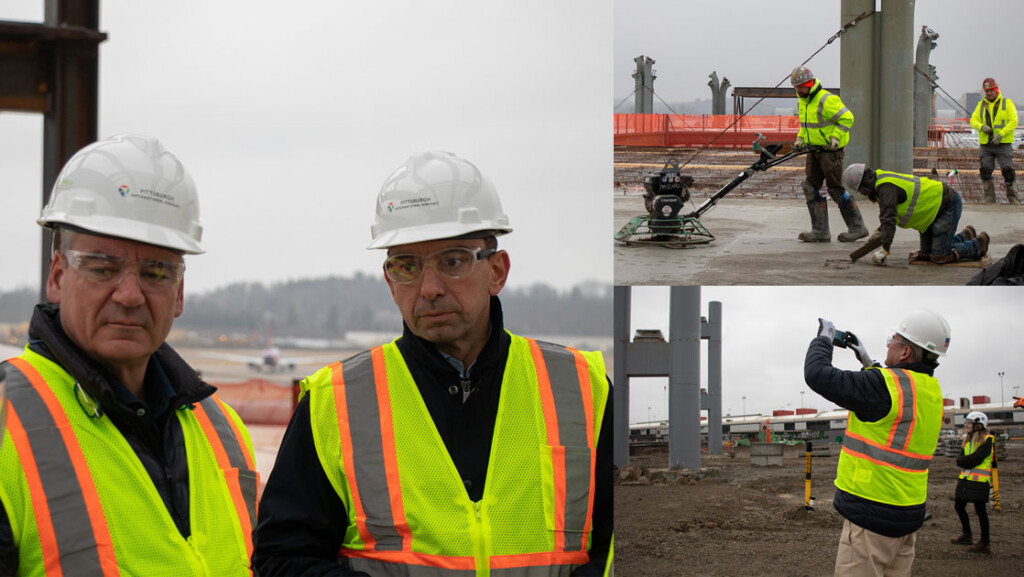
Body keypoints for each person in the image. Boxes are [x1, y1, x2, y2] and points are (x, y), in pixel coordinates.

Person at [254, 151, 613, 576]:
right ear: (389, 281)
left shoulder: (581, 389)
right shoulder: (335, 402)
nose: (428, 288)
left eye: (453, 261)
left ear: (497, 271)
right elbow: (282, 558)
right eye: (406, 266)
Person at [0, 135, 258, 576]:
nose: (130, 294)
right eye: (103, 268)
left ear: (179, 293)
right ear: (58, 277)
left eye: (156, 272)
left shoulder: (224, 433)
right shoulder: (7, 422)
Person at [804, 309, 948, 577]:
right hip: (907, 515)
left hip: (872, 519)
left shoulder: (884, 387)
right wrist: (868, 361)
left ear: (905, 352)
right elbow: (888, 404)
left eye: (893, 340)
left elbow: (817, 374)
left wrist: (823, 340)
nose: (888, 344)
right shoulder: (930, 390)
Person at [843, 163, 991, 265]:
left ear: (864, 184)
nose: (861, 193)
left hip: (946, 205)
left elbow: (888, 219)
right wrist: (879, 233)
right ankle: (965, 236)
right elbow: (888, 219)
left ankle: (978, 244)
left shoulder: (885, 189)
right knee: (926, 254)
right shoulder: (880, 183)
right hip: (930, 215)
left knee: (939, 256)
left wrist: (885, 250)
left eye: (860, 190)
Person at [790, 65, 868, 243]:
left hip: (831, 152)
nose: (798, 90)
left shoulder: (826, 99)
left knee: (835, 190)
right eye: (796, 88)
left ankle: (857, 227)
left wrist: (836, 137)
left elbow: (847, 117)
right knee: (809, 186)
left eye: (801, 87)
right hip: (814, 150)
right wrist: (800, 140)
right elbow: (807, 126)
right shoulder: (803, 101)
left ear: (809, 84)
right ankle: (820, 231)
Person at [950, 411, 995, 554]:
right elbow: (962, 458)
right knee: (959, 506)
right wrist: (962, 461)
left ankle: (985, 542)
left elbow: (976, 458)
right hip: (965, 480)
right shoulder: (968, 440)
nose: (967, 426)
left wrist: (962, 461)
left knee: (980, 511)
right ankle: (967, 535)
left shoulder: (988, 439)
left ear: (978, 425)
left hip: (979, 481)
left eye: (969, 423)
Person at [969, 78, 1019, 204]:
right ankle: (990, 201)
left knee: (1008, 171)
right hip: (986, 145)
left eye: (991, 90)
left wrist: (1001, 134)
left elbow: (1013, 121)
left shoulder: (1007, 103)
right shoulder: (981, 105)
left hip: (1003, 144)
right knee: (985, 171)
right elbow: (973, 121)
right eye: (987, 91)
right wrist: (982, 127)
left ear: (996, 90)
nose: (989, 93)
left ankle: (1013, 201)